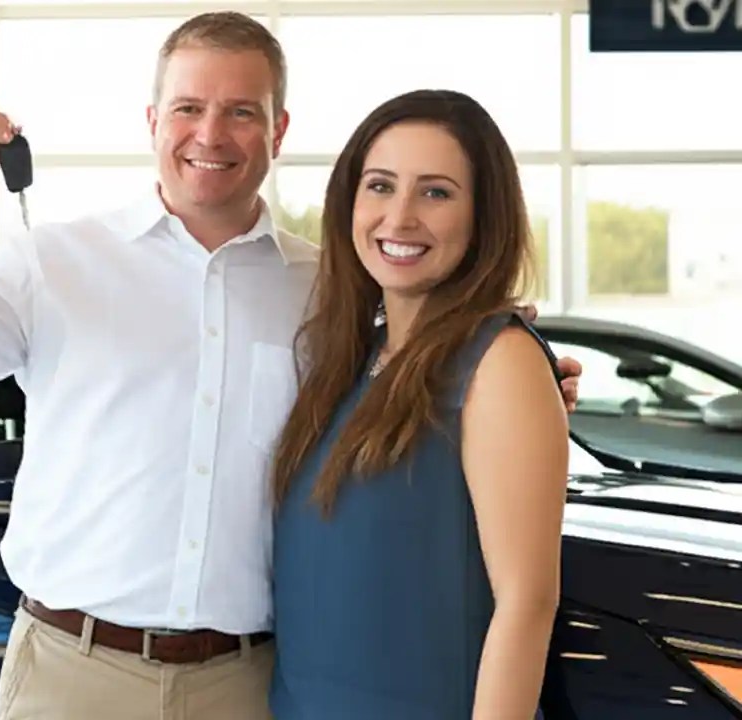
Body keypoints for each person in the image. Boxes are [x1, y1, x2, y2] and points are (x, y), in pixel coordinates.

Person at [0, 11, 580, 719]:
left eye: (241, 111)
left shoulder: (332, 289)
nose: (211, 134)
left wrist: (519, 396)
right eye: (189, 108)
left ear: (279, 131)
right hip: (73, 673)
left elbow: (414, 394)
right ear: (152, 121)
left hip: (248, 683)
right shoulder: (54, 260)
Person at [268, 89, 570, 719]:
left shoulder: (499, 360)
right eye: (380, 186)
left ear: (483, 216)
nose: (399, 217)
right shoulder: (348, 361)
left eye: (435, 192)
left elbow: (527, 602)